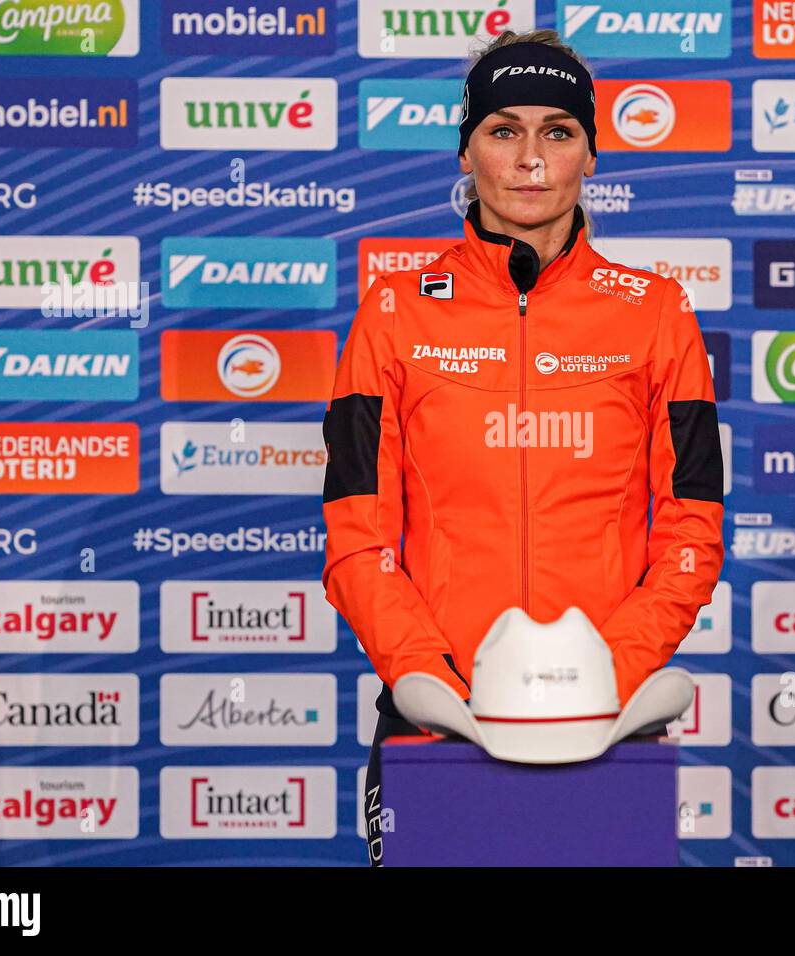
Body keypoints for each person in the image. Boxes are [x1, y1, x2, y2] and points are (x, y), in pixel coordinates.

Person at [321, 28, 725, 867]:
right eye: (504, 130)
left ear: (593, 153)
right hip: (439, 718)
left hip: (606, 721)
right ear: (467, 152)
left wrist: (599, 670)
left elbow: (692, 533)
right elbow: (358, 536)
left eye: (558, 131)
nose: (531, 158)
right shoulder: (394, 311)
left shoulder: (658, 313)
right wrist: (424, 675)